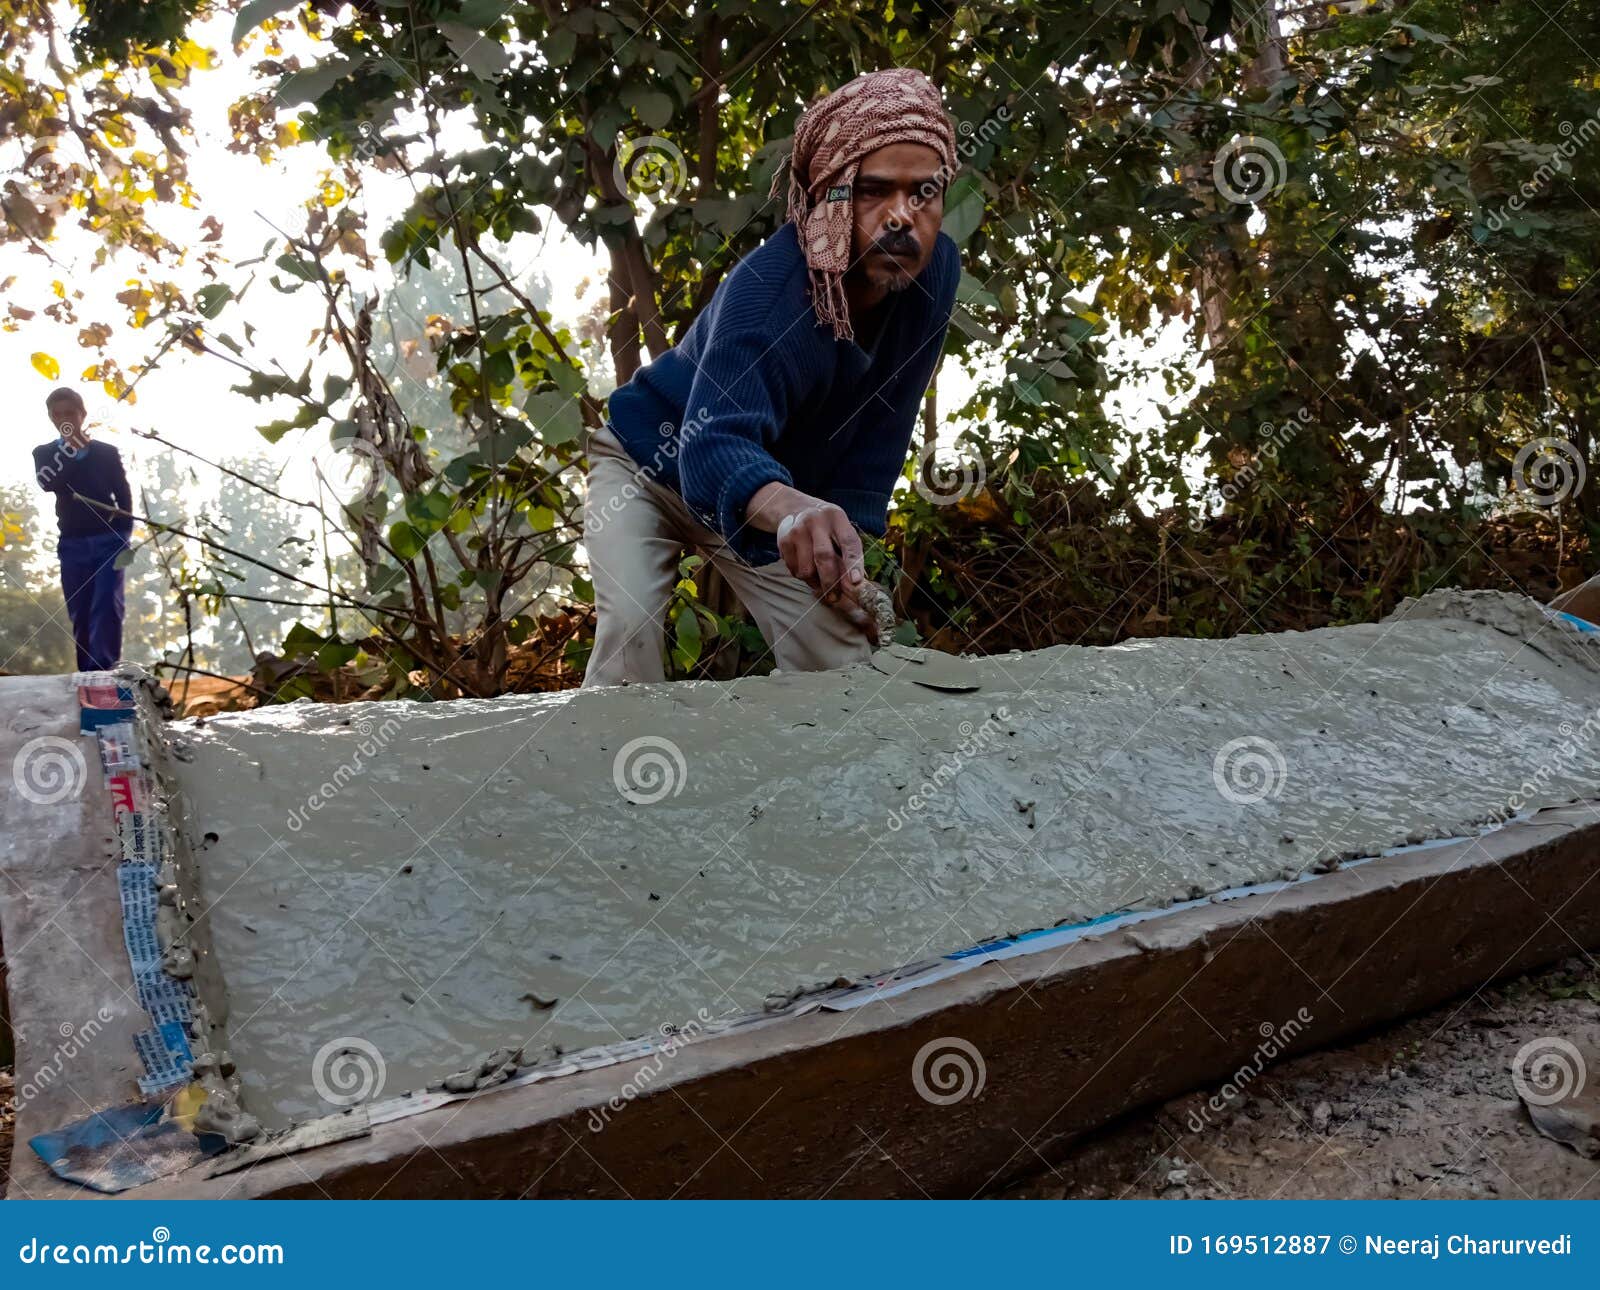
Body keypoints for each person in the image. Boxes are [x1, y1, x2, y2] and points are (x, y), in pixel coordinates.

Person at [582, 67, 961, 686]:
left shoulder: (934, 273)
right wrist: (793, 512)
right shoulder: (768, 293)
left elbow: (883, 429)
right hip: (650, 466)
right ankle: (613, 777)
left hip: (766, 495)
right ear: (830, 198)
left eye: (924, 192)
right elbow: (712, 444)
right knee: (630, 637)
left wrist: (843, 551)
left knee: (841, 663)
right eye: (874, 191)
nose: (902, 216)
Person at [32, 387, 132, 672]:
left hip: (108, 541)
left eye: (70, 413)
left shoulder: (106, 453)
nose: (64, 418)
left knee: (106, 604)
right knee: (81, 610)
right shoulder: (45, 453)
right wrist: (70, 451)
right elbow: (48, 483)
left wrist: (122, 533)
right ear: (51, 418)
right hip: (72, 543)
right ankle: (88, 674)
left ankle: (104, 669)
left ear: (82, 414)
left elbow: (123, 495)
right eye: (58, 414)